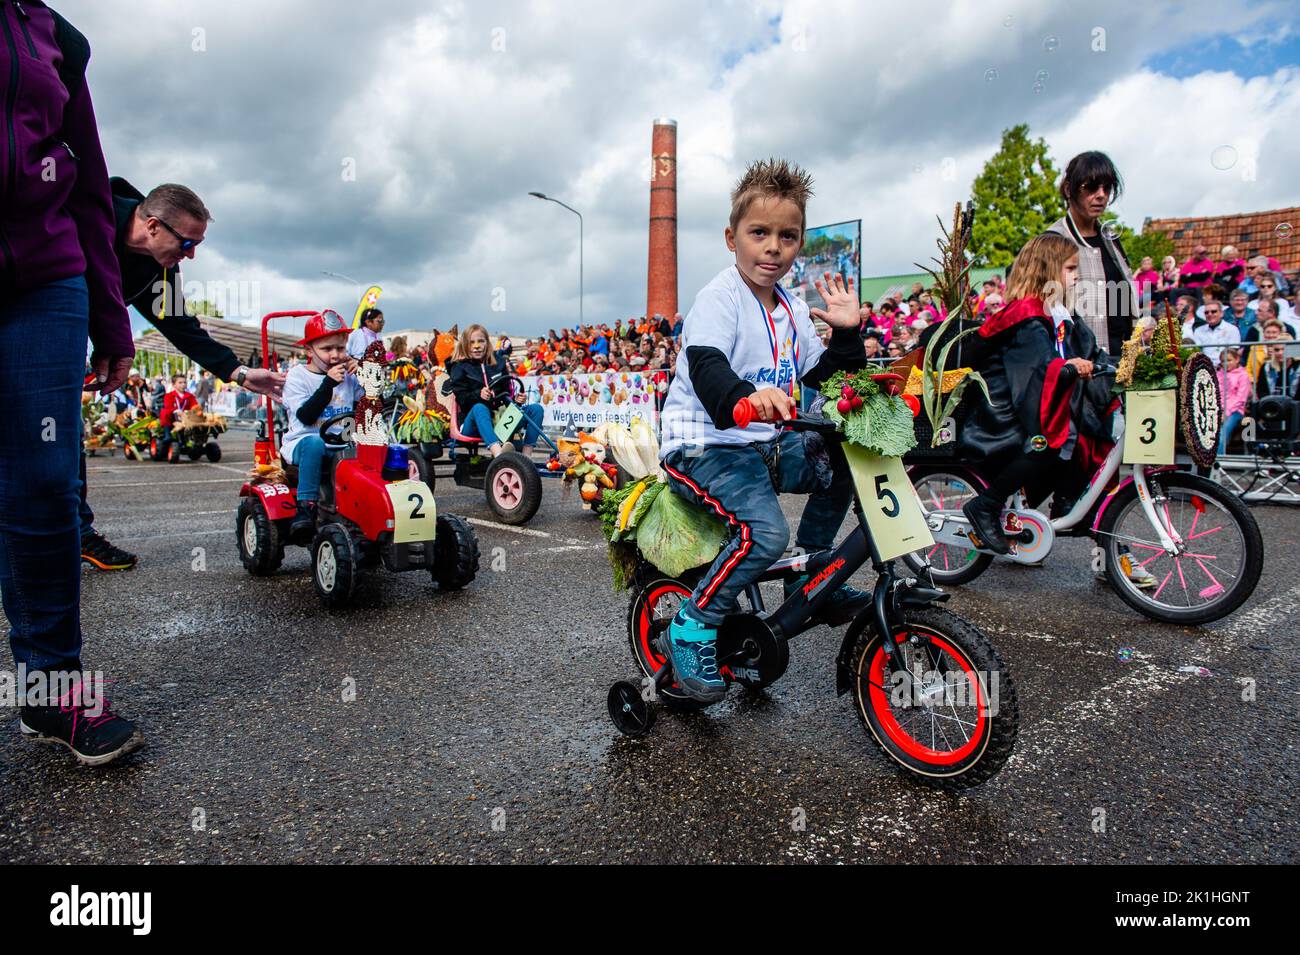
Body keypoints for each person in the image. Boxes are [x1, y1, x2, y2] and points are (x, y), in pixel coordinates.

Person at [655, 158, 871, 703]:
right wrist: (743, 398)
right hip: (705, 445)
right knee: (767, 533)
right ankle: (694, 620)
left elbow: (824, 375)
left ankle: (813, 571)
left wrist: (847, 335)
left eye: (787, 236)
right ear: (732, 238)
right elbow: (705, 364)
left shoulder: (793, 308)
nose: (773, 247)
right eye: (759, 233)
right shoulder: (720, 297)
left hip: (763, 443)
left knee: (845, 458)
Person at [2, 2, 143, 764]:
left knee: (44, 487)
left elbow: (87, 186)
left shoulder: (59, 37)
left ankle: (51, 691)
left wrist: (111, 316)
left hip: (45, 281)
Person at [75, 179, 285, 573]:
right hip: (32, 322)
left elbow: (180, 325)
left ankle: (76, 534)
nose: (189, 256)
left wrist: (238, 372)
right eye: (187, 243)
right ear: (153, 226)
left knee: (65, 443)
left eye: (197, 246)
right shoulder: (85, 209)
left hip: (72, 342)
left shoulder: (159, 269)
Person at [957, 234, 1105, 554]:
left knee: (1068, 443)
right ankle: (987, 504)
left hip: (1013, 399)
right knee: (1047, 445)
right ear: (1048, 269)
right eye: (1069, 268)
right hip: (999, 410)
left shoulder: (1047, 311)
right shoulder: (1027, 313)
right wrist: (1068, 367)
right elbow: (1041, 366)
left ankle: (1030, 513)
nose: (1076, 275)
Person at [1045, 151, 1139, 354]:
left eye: (1107, 187)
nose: (1101, 195)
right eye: (1091, 187)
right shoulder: (1052, 241)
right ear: (1069, 189)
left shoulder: (1111, 241)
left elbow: (1125, 303)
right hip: (1081, 367)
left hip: (1121, 360)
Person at [280, 311, 363, 540]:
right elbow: (306, 416)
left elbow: (367, 408)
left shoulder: (349, 376)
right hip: (303, 443)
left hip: (342, 443)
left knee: (371, 444)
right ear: (309, 351)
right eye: (327, 349)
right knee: (315, 443)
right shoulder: (298, 376)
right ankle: (306, 506)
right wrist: (327, 383)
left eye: (340, 348)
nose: (335, 355)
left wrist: (366, 375)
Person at [444, 324, 544, 456]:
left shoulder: (498, 363)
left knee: (536, 409)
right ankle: (499, 455)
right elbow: (462, 399)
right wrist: (478, 394)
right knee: (480, 407)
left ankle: (526, 457)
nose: (476, 346)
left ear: (487, 343)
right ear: (465, 345)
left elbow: (505, 394)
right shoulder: (459, 367)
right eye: (471, 342)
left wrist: (516, 401)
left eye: (481, 341)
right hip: (472, 423)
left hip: (500, 421)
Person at [1185, 299, 1240, 365]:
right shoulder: (1198, 330)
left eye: (1213, 311)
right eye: (1206, 312)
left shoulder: (1232, 329)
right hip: (1204, 367)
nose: (1210, 314)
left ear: (1221, 313)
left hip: (1225, 367)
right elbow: (1197, 351)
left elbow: (1233, 352)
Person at [1217, 348, 1250, 454]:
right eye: (1223, 361)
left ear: (1237, 359)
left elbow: (1240, 399)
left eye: (1229, 360)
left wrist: (1225, 413)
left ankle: (1218, 462)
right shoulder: (1218, 374)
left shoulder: (1243, 376)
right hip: (1218, 409)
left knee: (1222, 432)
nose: (1226, 363)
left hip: (1235, 411)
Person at [157, 373, 199, 447]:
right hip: (173, 418)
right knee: (164, 412)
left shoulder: (190, 396)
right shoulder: (169, 395)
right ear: (174, 385)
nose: (183, 384)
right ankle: (167, 434)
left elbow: (194, 405)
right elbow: (168, 406)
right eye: (180, 383)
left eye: (184, 382)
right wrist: (176, 410)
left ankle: (195, 440)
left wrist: (194, 410)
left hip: (186, 417)